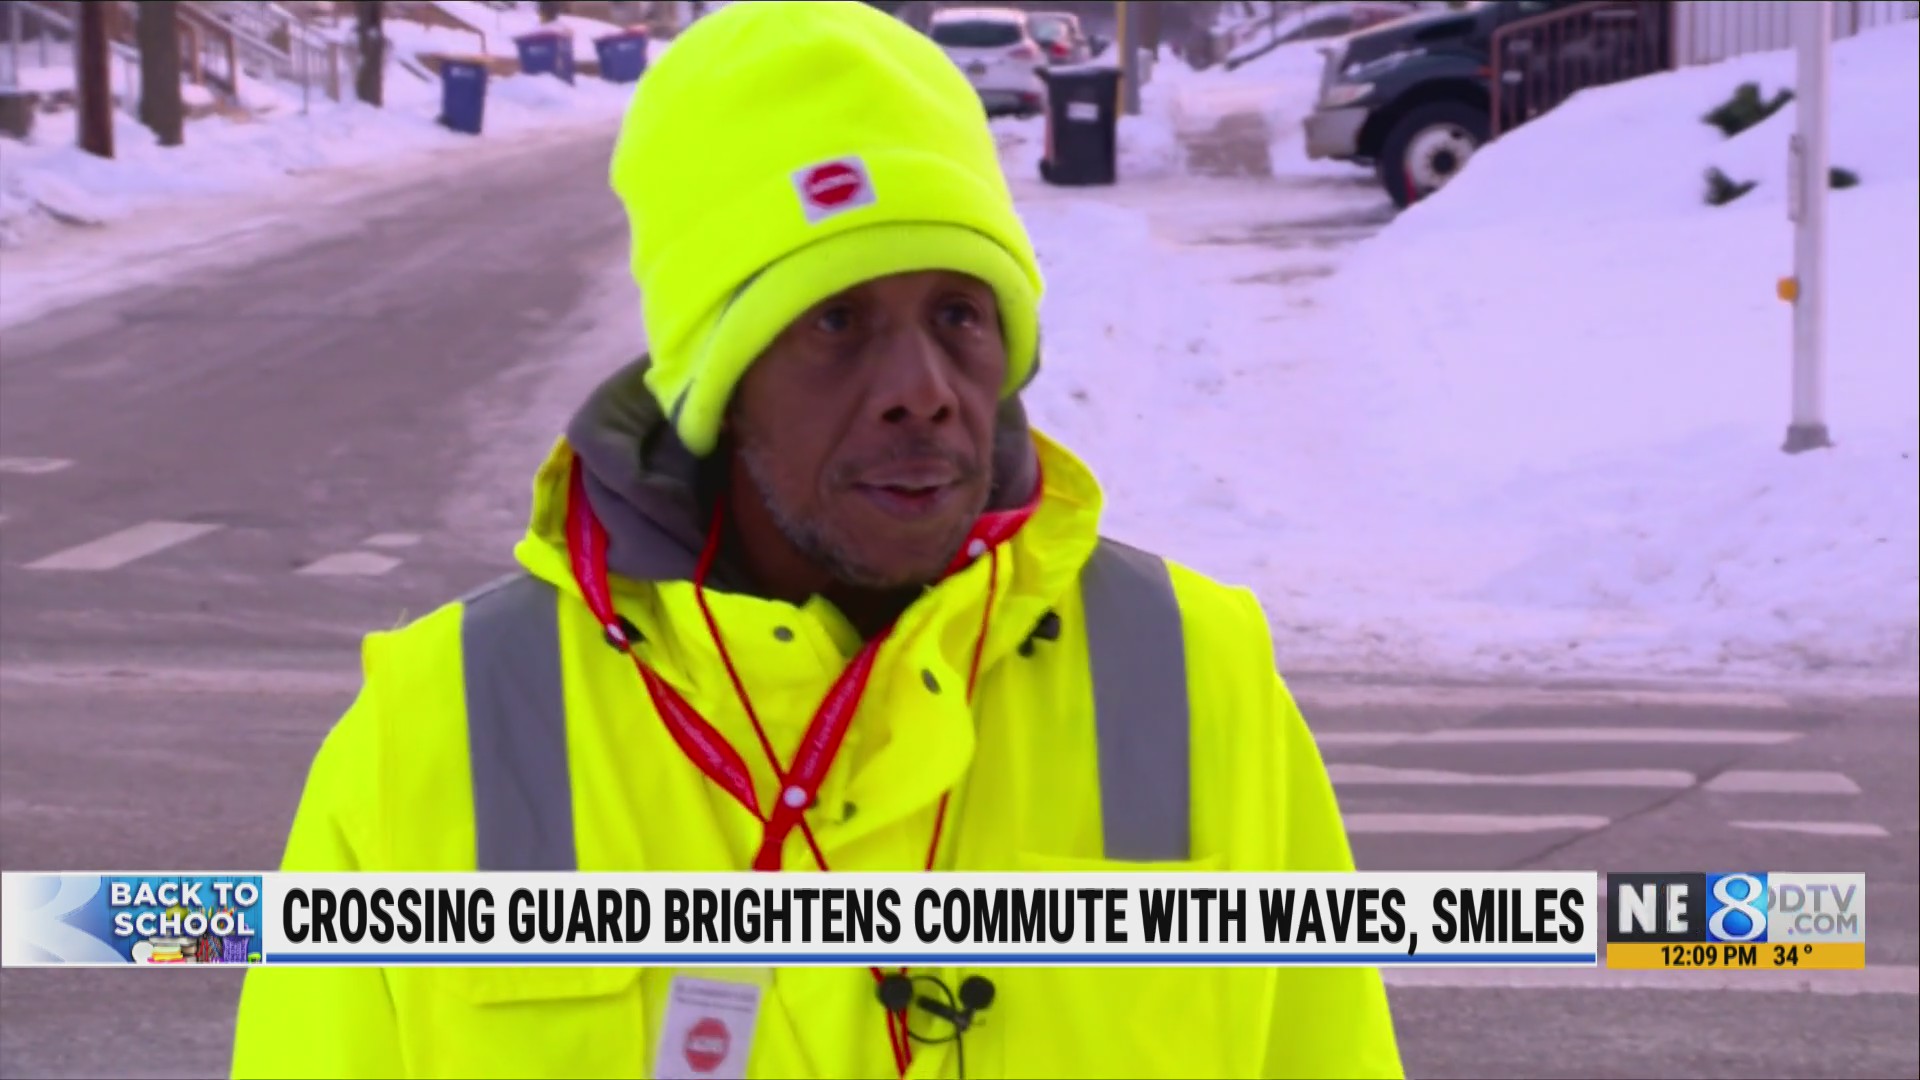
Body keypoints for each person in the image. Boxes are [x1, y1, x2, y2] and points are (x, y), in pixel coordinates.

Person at [229, 3, 1403, 1078]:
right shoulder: (440, 728)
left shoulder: (1199, 682)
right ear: (715, 382)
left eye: (960, 314)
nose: (924, 390)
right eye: (836, 318)